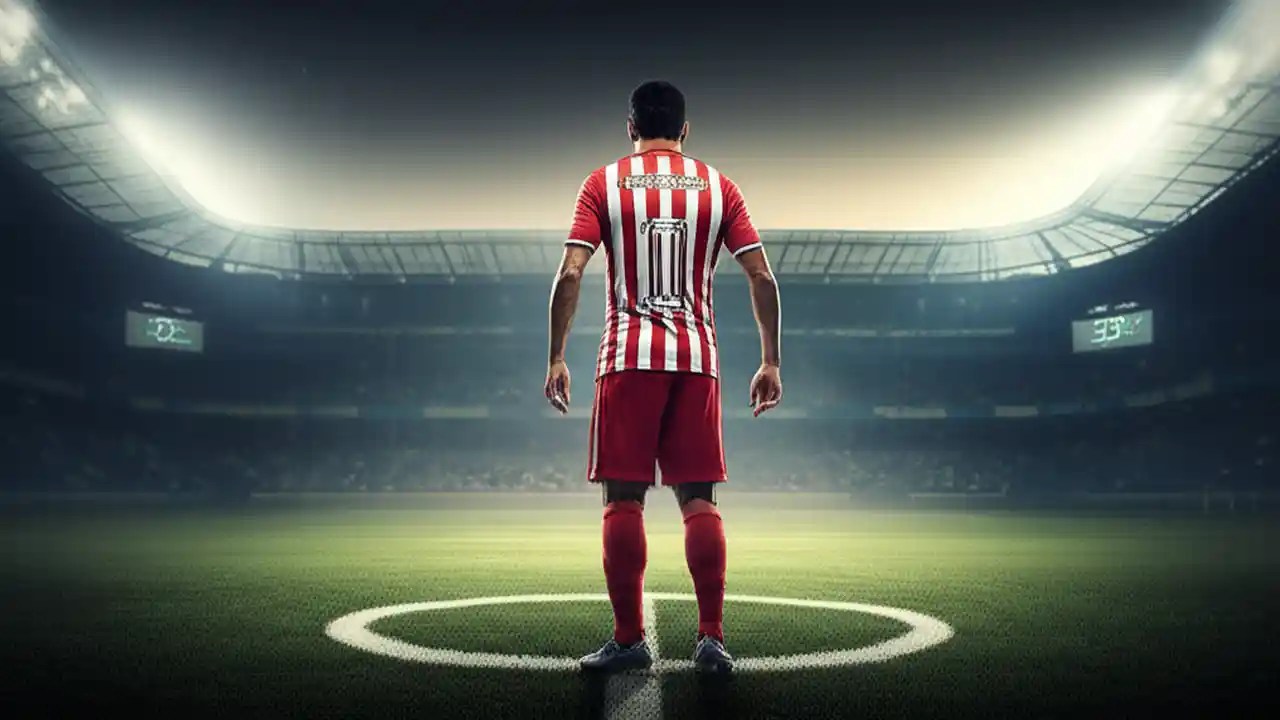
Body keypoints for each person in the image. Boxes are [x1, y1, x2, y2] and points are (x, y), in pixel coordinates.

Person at [543, 80, 782, 675]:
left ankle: (629, 642)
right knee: (699, 498)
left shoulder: (602, 183)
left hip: (627, 358)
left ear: (630, 128)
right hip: (696, 361)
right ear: (685, 130)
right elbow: (762, 278)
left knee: (623, 498)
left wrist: (555, 356)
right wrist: (771, 360)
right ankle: (711, 640)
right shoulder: (718, 186)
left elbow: (570, 274)